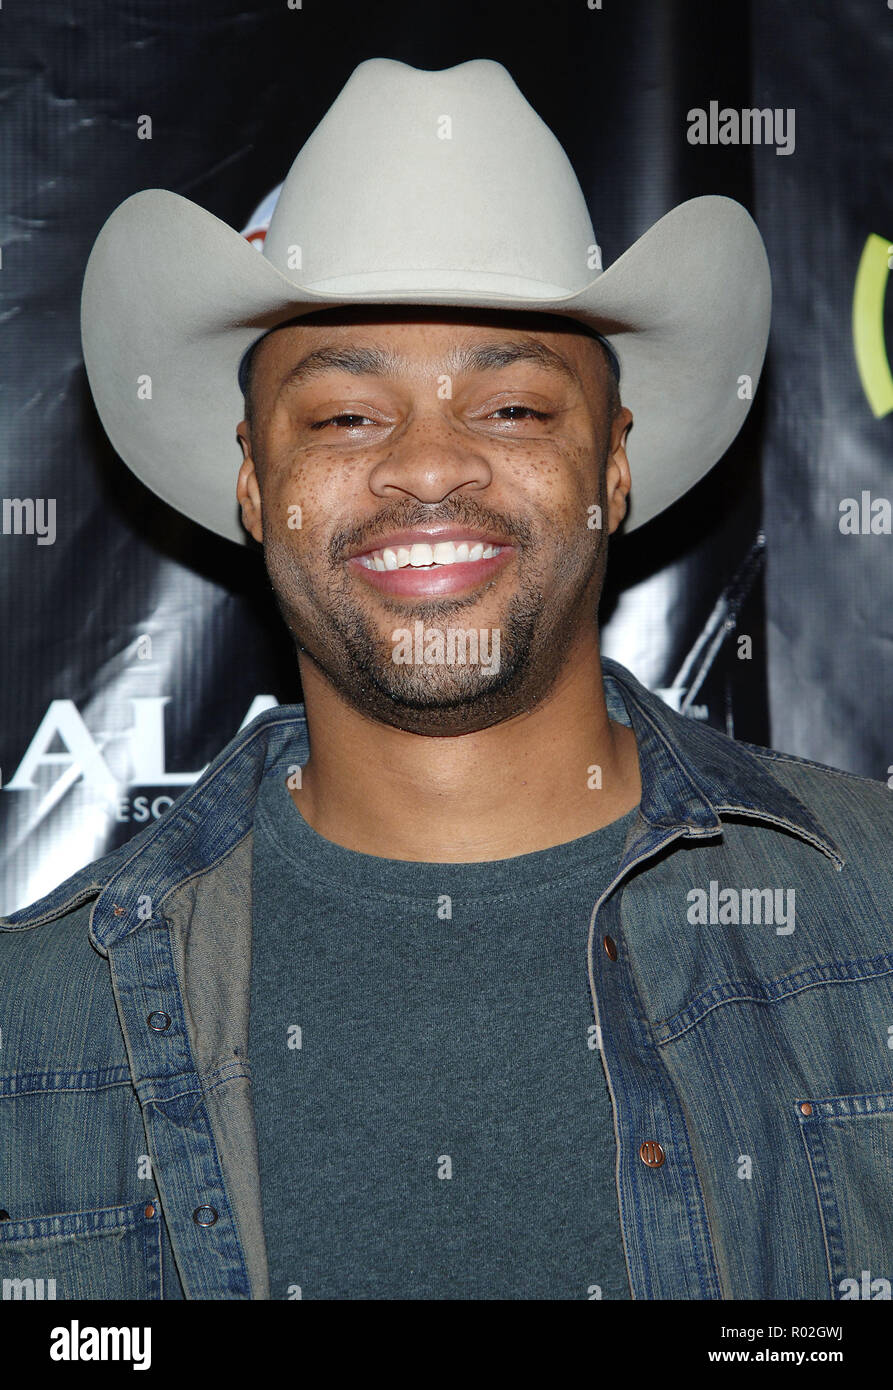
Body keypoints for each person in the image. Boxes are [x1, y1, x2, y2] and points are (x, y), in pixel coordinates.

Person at [2, 57, 891, 1302]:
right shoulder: (34, 1023)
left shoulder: (876, 918)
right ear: (254, 481)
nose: (429, 468)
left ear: (612, 468)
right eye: (345, 417)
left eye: (514, 408)